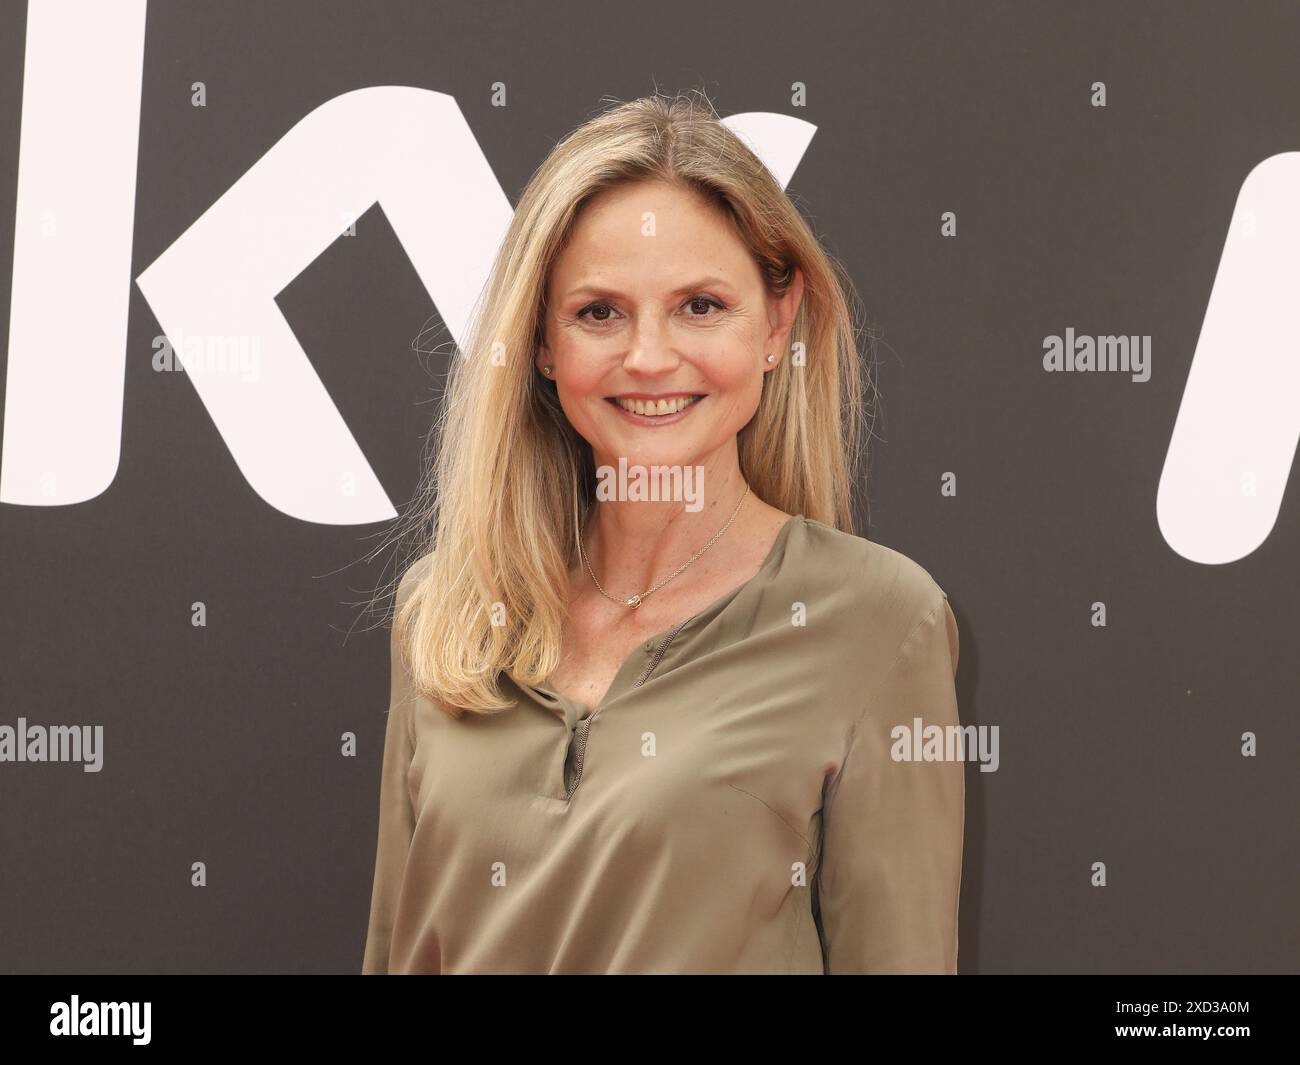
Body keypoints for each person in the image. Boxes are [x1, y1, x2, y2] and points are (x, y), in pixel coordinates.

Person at [362, 90, 964, 974]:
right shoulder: (445, 609)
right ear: (540, 343)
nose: (648, 356)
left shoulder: (878, 622)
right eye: (599, 312)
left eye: (701, 306)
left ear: (778, 322)